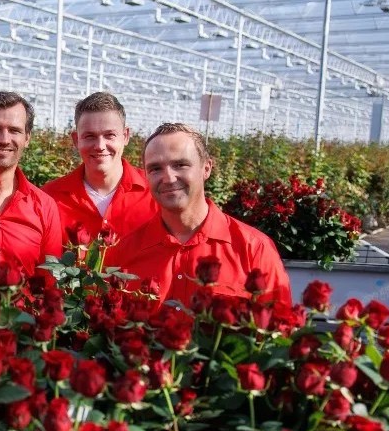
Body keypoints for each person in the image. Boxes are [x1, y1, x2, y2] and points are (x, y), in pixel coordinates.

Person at [106, 123, 292, 308]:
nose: (168, 178)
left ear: (206, 168)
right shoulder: (124, 252)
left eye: (180, 165)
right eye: (155, 168)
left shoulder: (254, 249)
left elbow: (280, 328)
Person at [42, 92, 157, 246]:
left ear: (126, 136)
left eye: (109, 135)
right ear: (76, 140)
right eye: (90, 136)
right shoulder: (48, 199)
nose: (100, 146)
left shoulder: (156, 191)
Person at [0, 91, 62, 273]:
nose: (4, 139)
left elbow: (49, 283)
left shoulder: (43, 207)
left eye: (14, 130)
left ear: (27, 138)